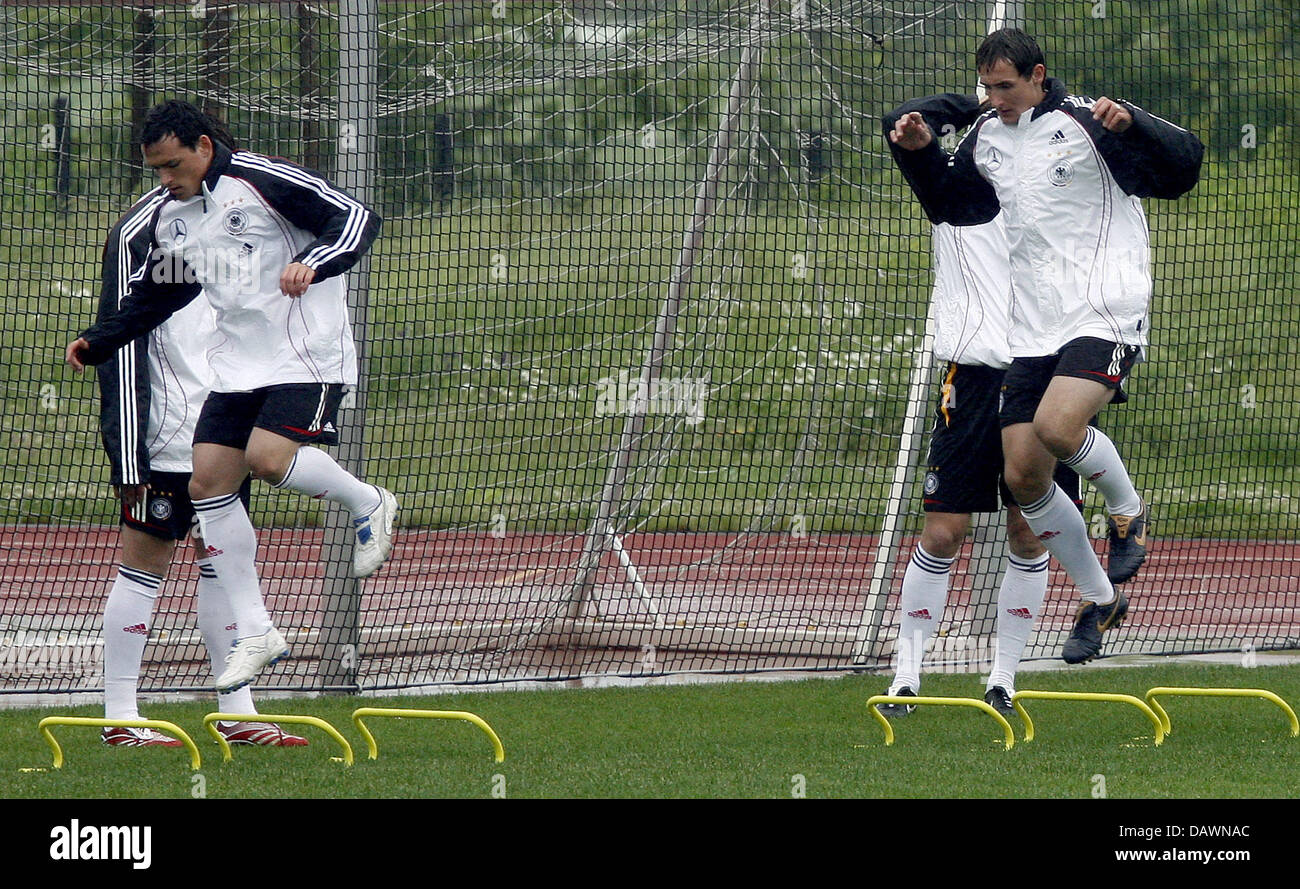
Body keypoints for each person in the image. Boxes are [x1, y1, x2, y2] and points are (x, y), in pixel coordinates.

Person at [887, 29, 1203, 664]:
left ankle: (1128, 516)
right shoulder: (987, 137)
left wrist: (1135, 124)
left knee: (1060, 427)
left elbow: (1184, 166)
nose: (995, 98)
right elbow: (953, 207)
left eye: (1006, 86)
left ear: (1039, 75)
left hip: (1105, 307)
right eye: (987, 88)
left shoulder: (1088, 121)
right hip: (1032, 325)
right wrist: (920, 153)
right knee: (1024, 478)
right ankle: (1102, 597)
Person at [66, 99, 395, 694]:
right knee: (208, 480)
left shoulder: (263, 179)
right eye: (156, 170)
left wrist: (314, 261)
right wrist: (101, 338)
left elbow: (356, 218)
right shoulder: (175, 219)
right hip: (237, 367)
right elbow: (165, 293)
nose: (165, 180)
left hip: (304, 354)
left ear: (203, 148)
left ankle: (368, 500)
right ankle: (257, 628)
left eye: (172, 165)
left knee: (268, 461)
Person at [876, 93, 1087, 717]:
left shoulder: (1051, 207)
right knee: (944, 529)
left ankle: (1002, 678)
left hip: (1043, 376)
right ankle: (906, 678)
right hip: (969, 378)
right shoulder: (954, 197)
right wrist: (977, 104)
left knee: (1029, 529)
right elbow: (900, 123)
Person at [97, 182, 306, 747]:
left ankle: (236, 710)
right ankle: (120, 715)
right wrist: (127, 453)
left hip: (221, 428)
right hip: (164, 434)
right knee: (145, 566)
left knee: (223, 562)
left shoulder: (236, 218)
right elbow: (117, 337)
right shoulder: (142, 231)